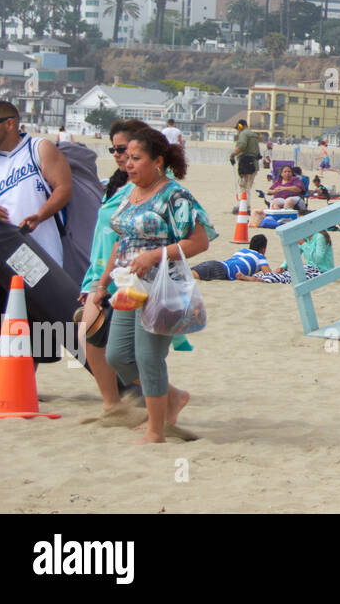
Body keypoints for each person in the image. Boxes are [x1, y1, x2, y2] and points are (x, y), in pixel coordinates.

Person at [96, 127, 215, 444]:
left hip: (162, 287)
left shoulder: (174, 196)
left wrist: (154, 255)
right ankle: (171, 397)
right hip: (128, 286)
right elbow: (122, 240)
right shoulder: (129, 192)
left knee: (149, 357)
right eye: (126, 157)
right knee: (118, 356)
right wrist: (102, 283)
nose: (128, 163)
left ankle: (156, 430)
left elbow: (199, 242)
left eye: (136, 158)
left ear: (157, 161)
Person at [0, 100, 74, 391]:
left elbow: (63, 187)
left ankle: (21, 387)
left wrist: (41, 214)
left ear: (10, 123)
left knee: (36, 326)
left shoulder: (39, 149)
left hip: (36, 252)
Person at [78, 118, 152, 410]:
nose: (119, 155)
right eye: (115, 150)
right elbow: (105, 236)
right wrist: (93, 280)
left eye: (125, 150)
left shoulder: (142, 186)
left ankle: (154, 399)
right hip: (101, 272)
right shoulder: (116, 184)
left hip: (125, 275)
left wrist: (102, 281)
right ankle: (113, 403)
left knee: (125, 347)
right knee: (93, 338)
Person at [192, 233, 273, 280]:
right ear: (263, 249)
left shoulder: (242, 251)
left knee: (185, 275)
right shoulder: (260, 257)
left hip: (217, 264)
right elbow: (269, 275)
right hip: (222, 271)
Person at [230, 119, 261, 205]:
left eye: (238, 128)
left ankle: (244, 206)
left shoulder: (244, 134)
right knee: (248, 187)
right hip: (254, 164)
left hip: (245, 163)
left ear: (241, 126)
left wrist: (232, 155)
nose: (238, 130)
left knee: (243, 186)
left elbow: (241, 146)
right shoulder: (253, 135)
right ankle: (246, 205)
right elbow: (258, 153)